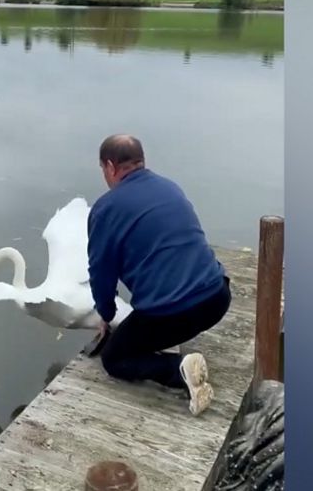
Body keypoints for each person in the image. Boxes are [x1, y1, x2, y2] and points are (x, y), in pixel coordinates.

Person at [87, 134, 232, 416]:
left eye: (103, 170)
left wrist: (105, 313)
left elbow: (101, 272)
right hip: (217, 297)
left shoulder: (105, 209)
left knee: (115, 359)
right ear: (141, 161)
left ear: (109, 166)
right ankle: (181, 358)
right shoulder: (170, 187)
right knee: (155, 323)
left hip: (173, 312)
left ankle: (179, 370)